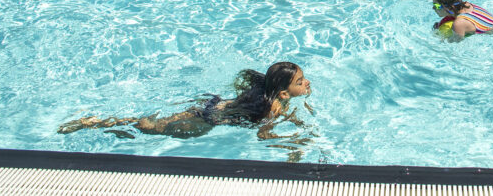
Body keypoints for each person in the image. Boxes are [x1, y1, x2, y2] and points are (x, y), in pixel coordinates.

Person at [58, 63, 312, 140]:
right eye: (300, 82)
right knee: (149, 127)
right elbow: (263, 136)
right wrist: (290, 143)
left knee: (150, 124)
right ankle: (94, 123)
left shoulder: (265, 90)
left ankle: (96, 122)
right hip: (208, 119)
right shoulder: (274, 107)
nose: (307, 82)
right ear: (284, 94)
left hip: (212, 106)